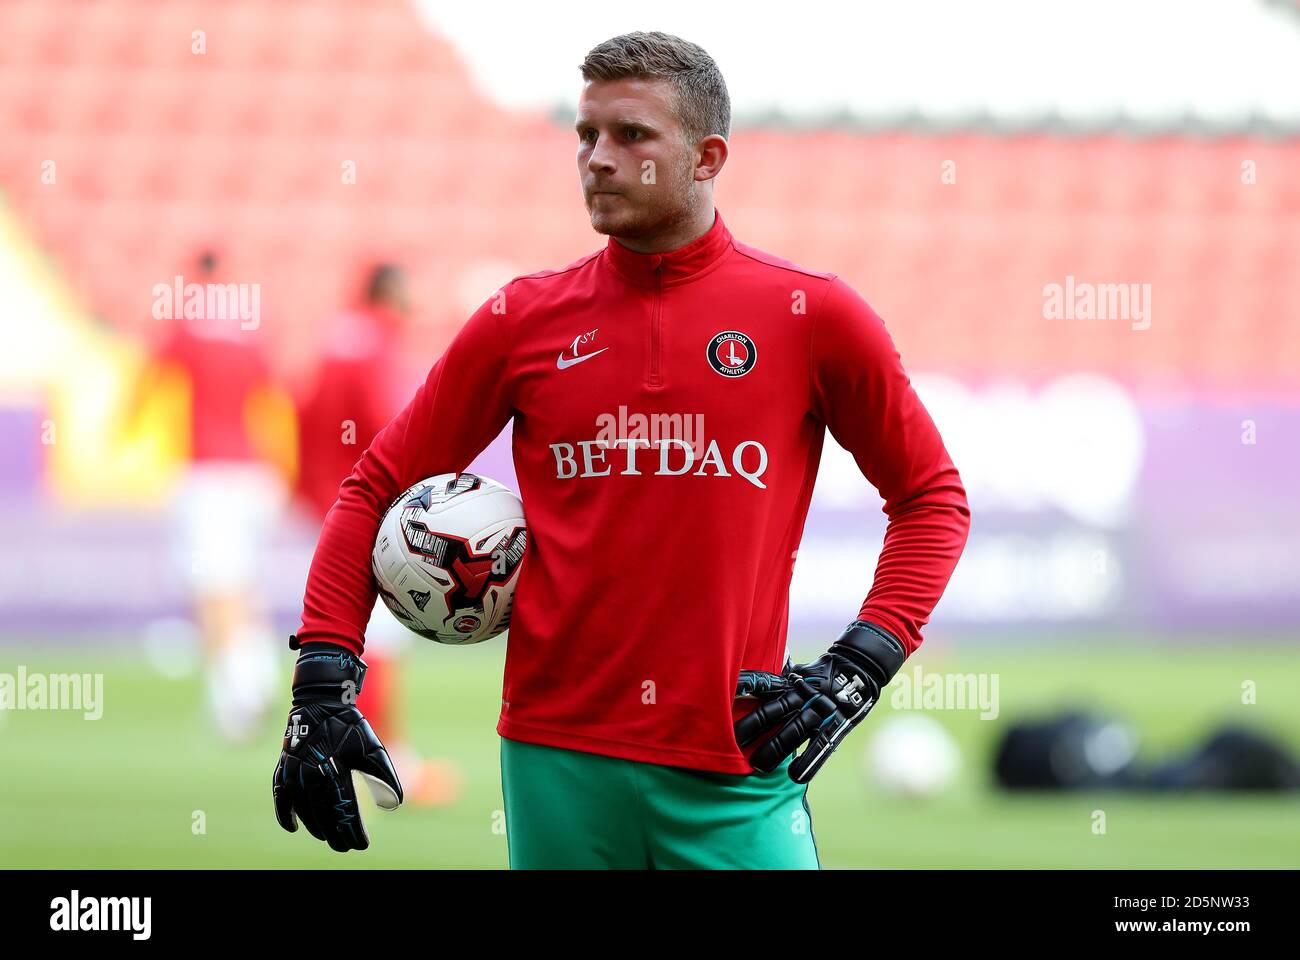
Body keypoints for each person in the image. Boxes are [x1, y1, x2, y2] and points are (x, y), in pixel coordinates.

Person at [272, 31, 970, 867]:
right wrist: (323, 676)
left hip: (738, 759)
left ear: (708, 156)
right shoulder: (520, 320)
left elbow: (931, 498)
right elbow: (375, 486)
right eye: (585, 135)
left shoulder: (812, 317)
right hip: (553, 759)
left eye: (631, 135)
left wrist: (865, 658)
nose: (597, 159)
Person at [293, 263, 460, 805]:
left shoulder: (333, 343)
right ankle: (389, 768)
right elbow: (396, 429)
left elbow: (300, 414)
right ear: (392, 293)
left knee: (354, 638)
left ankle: (363, 762)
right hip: (374, 510)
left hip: (331, 507)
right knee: (382, 642)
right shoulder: (379, 348)